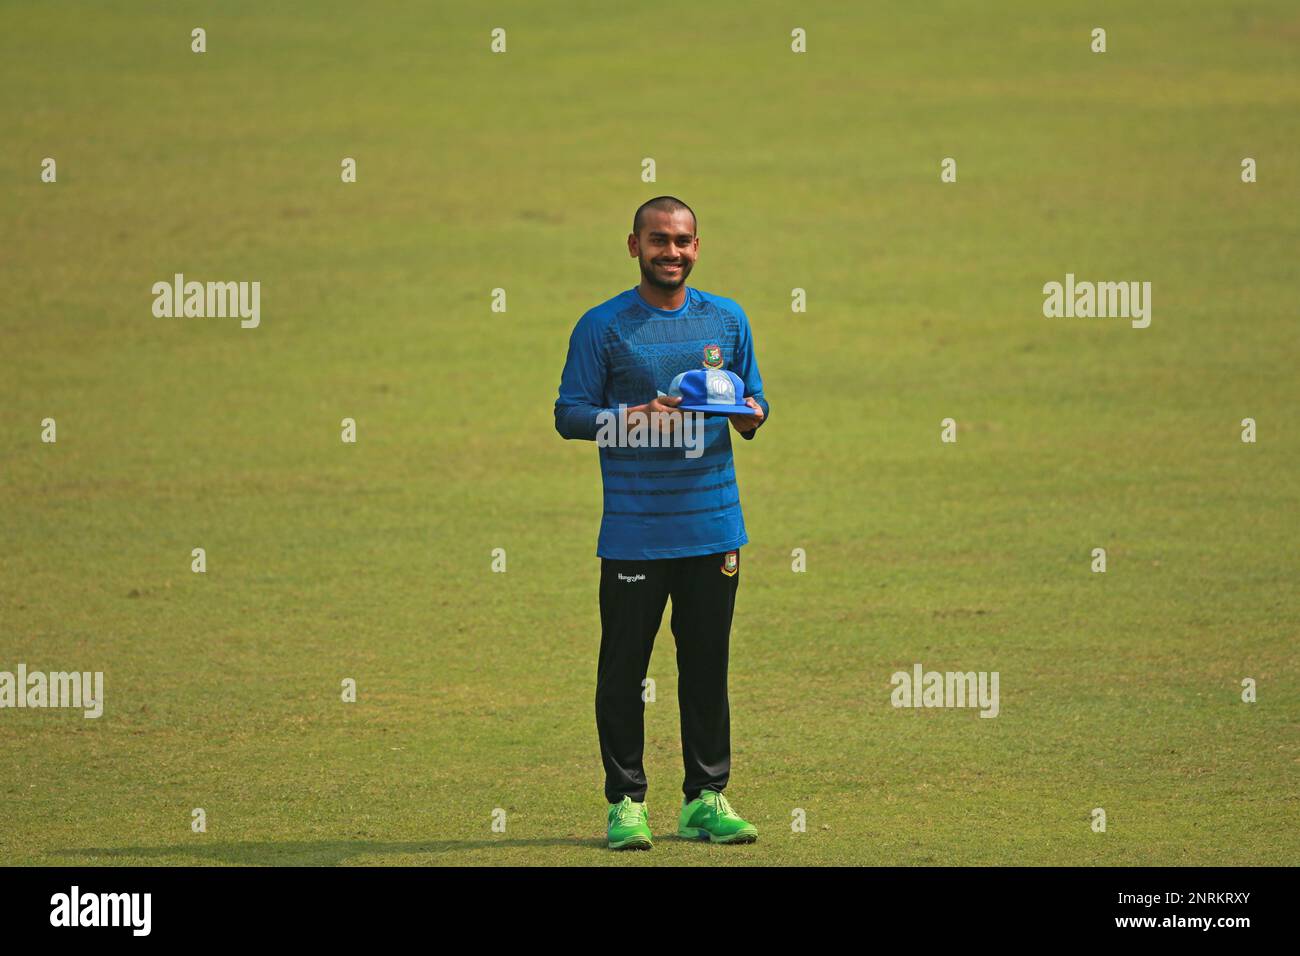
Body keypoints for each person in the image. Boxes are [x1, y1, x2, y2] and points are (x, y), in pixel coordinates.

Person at [553, 196, 770, 850]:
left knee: (707, 666)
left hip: (714, 528)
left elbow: (754, 402)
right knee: (623, 670)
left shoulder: (726, 319)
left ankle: (706, 799)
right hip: (636, 532)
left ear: (696, 247)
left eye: (681, 241)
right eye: (658, 241)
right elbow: (568, 414)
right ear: (633, 246)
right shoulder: (603, 326)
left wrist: (748, 412)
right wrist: (631, 417)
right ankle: (625, 803)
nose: (670, 252)